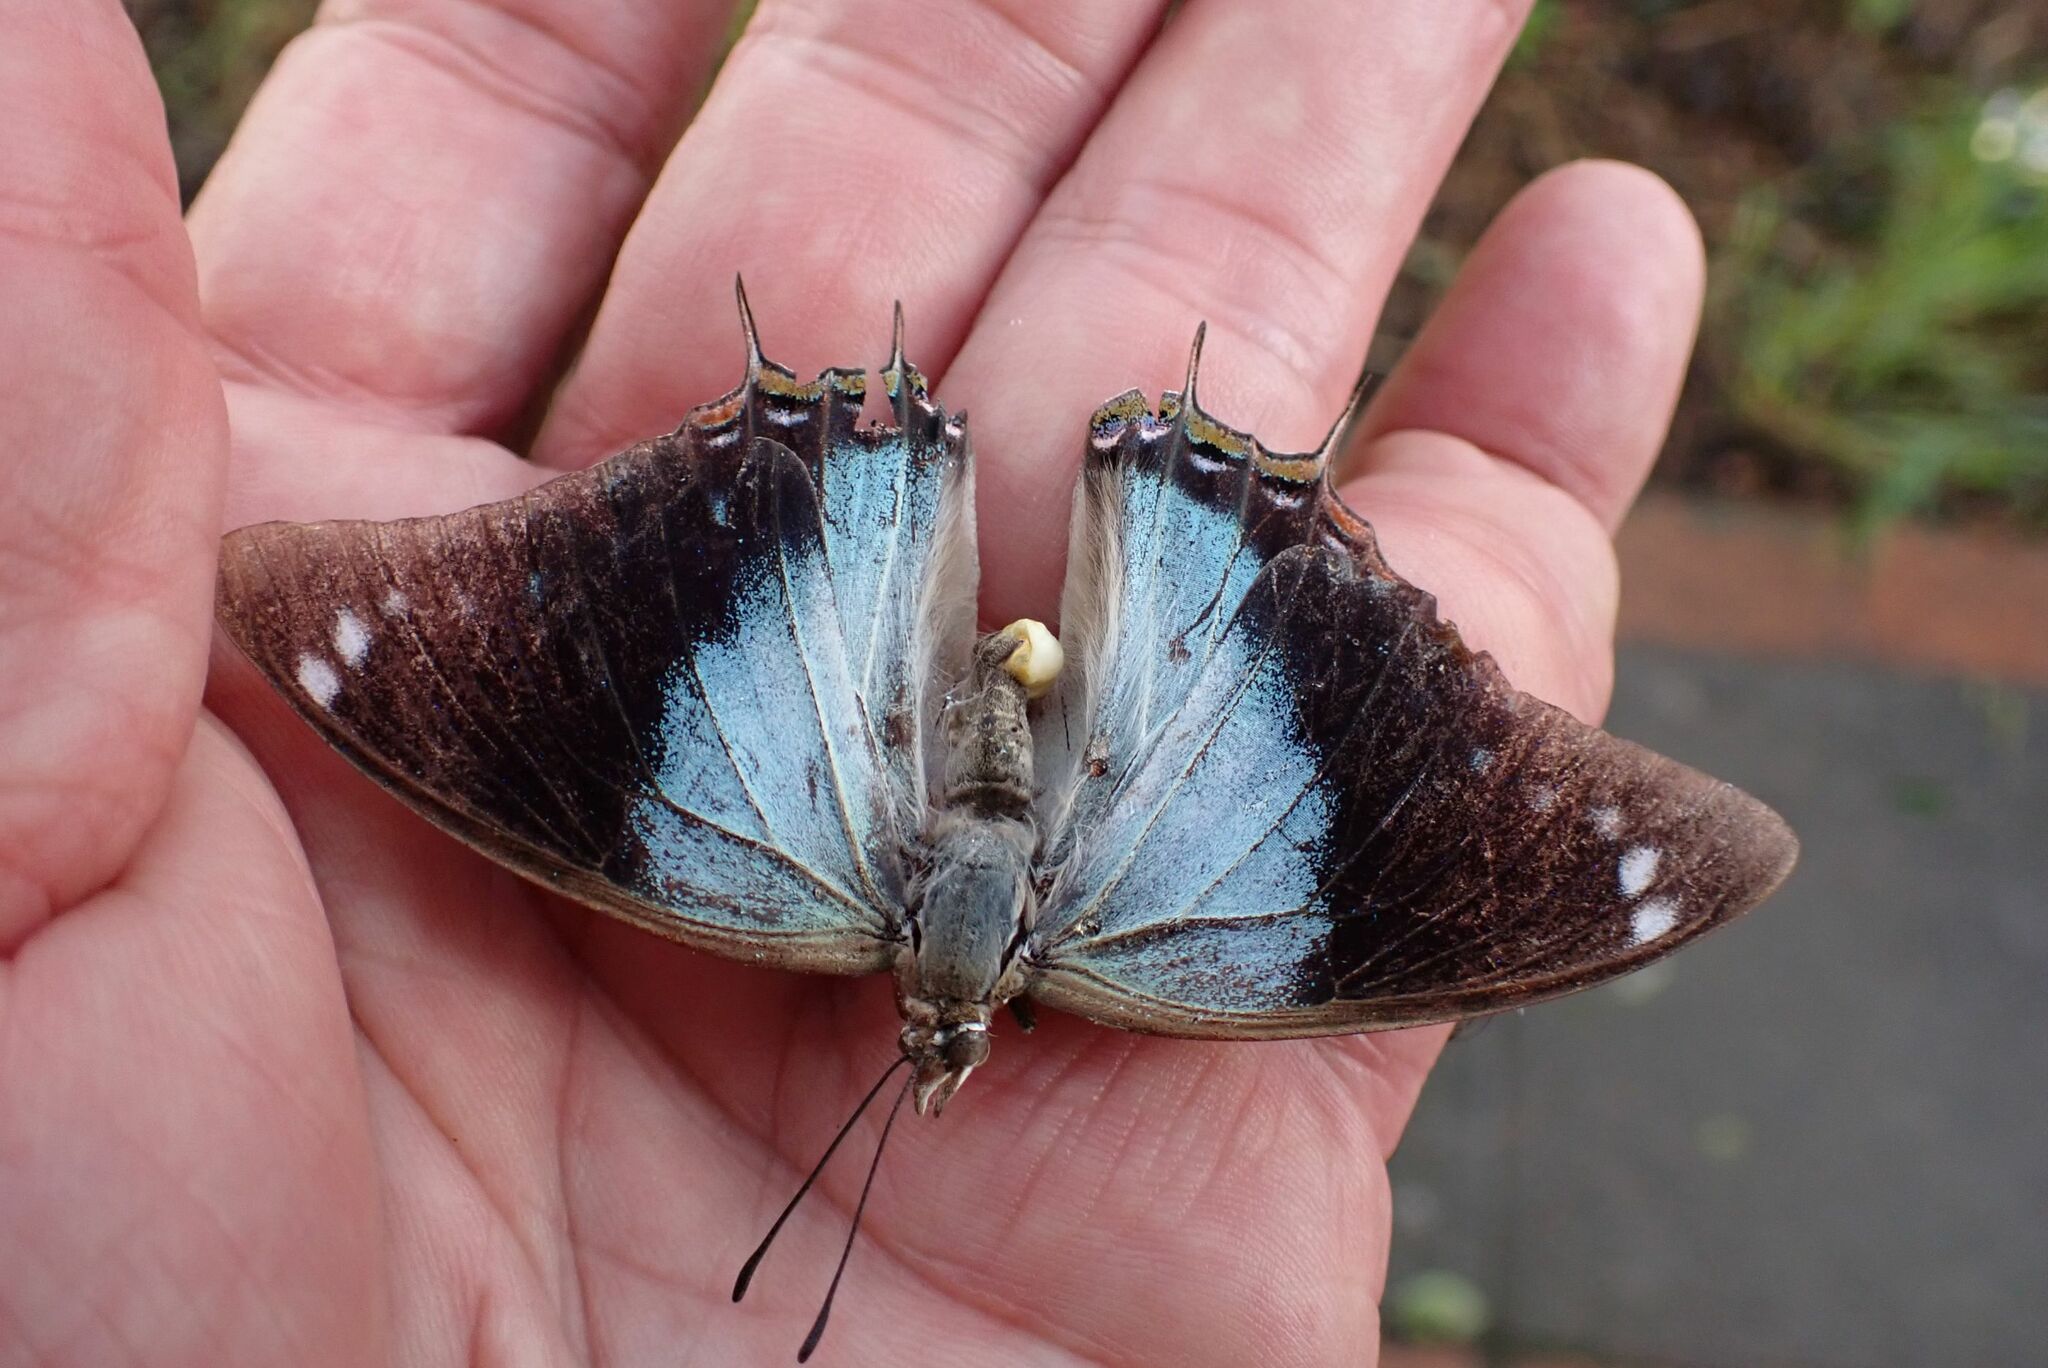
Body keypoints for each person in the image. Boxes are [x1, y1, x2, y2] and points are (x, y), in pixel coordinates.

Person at [0, 0, 1705, 1361]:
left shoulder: (769, 894)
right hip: (1131, 725)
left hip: (844, 699)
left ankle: (903, 501)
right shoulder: (1125, 953)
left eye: (939, 1039)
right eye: (953, 1039)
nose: (944, 1048)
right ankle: (1159, 529)